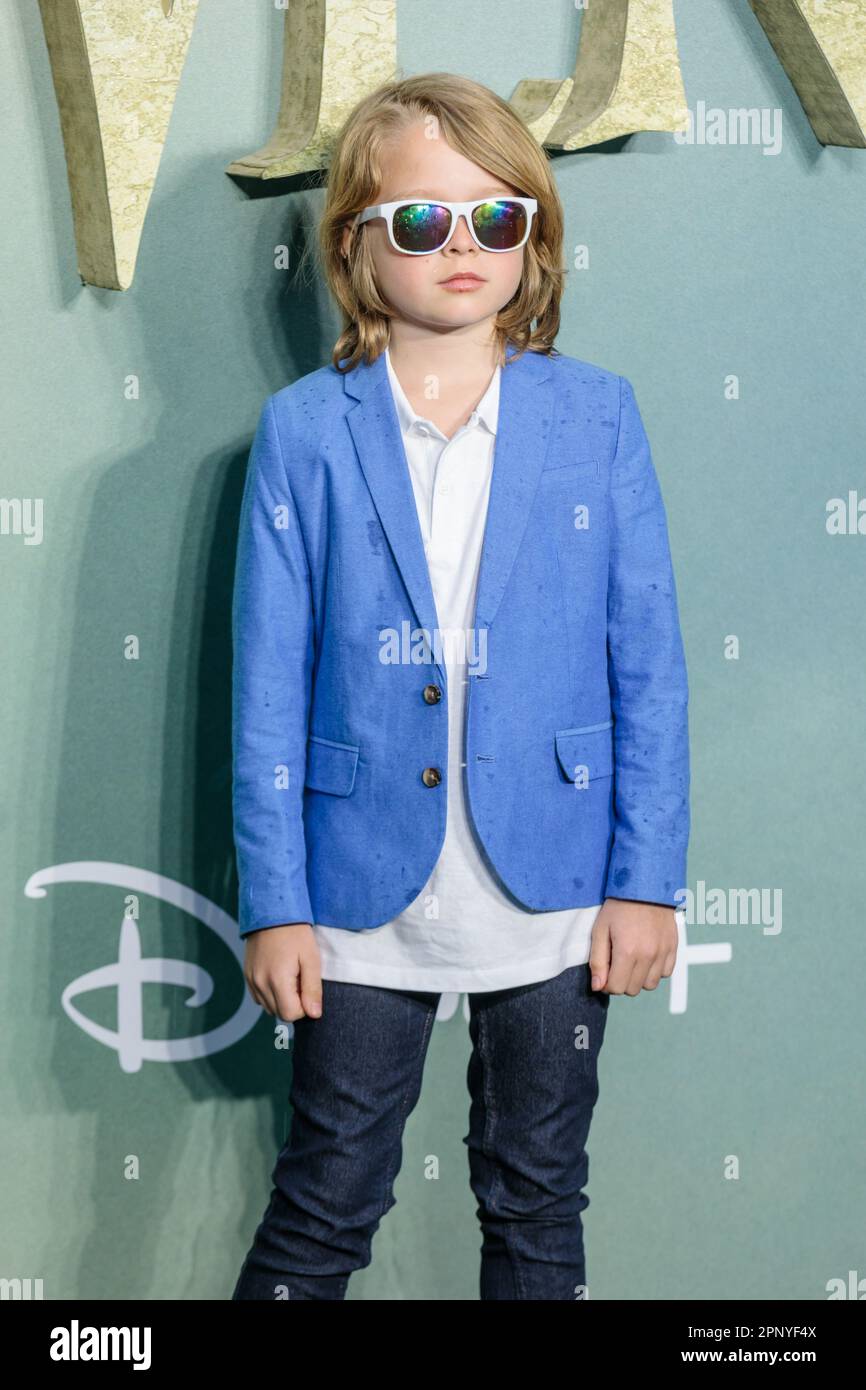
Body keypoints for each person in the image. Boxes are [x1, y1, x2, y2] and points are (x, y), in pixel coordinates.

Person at [230, 71, 689, 1301]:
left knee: (538, 1195)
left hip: (553, 886)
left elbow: (645, 662)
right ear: (354, 246)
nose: (465, 248)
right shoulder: (303, 431)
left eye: (499, 218)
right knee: (326, 1192)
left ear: (534, 236)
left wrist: (645, 879)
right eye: (423, 222)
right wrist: (275, 901)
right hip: (356, 895)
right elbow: (266, 684)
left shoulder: (596, 416)